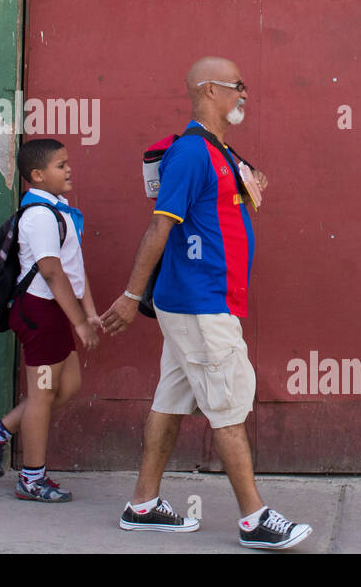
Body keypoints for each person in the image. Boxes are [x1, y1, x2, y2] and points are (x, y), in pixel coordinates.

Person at [100, 56, 313, 549]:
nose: (244, 95)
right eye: (238, 86)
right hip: (201, 301)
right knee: (229, 401)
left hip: (201, 299)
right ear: (209, 90)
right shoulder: (193, 153)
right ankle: (254, 519)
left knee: (171, 400)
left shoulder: (218, 150)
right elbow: (160, 226)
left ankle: (143, 505)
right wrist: (131, 297)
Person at [0, 138, 101, 502]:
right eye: (60, 165)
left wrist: (88, 311)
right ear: (36, 175)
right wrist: (78, 322)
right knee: (43, 394)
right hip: (40, 314)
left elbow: (75, 268)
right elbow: (51, 272)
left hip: (58, 311)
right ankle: (31, 479)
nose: (69, 169)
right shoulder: (39, 216)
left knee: (68, 386)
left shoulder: (60, 210)